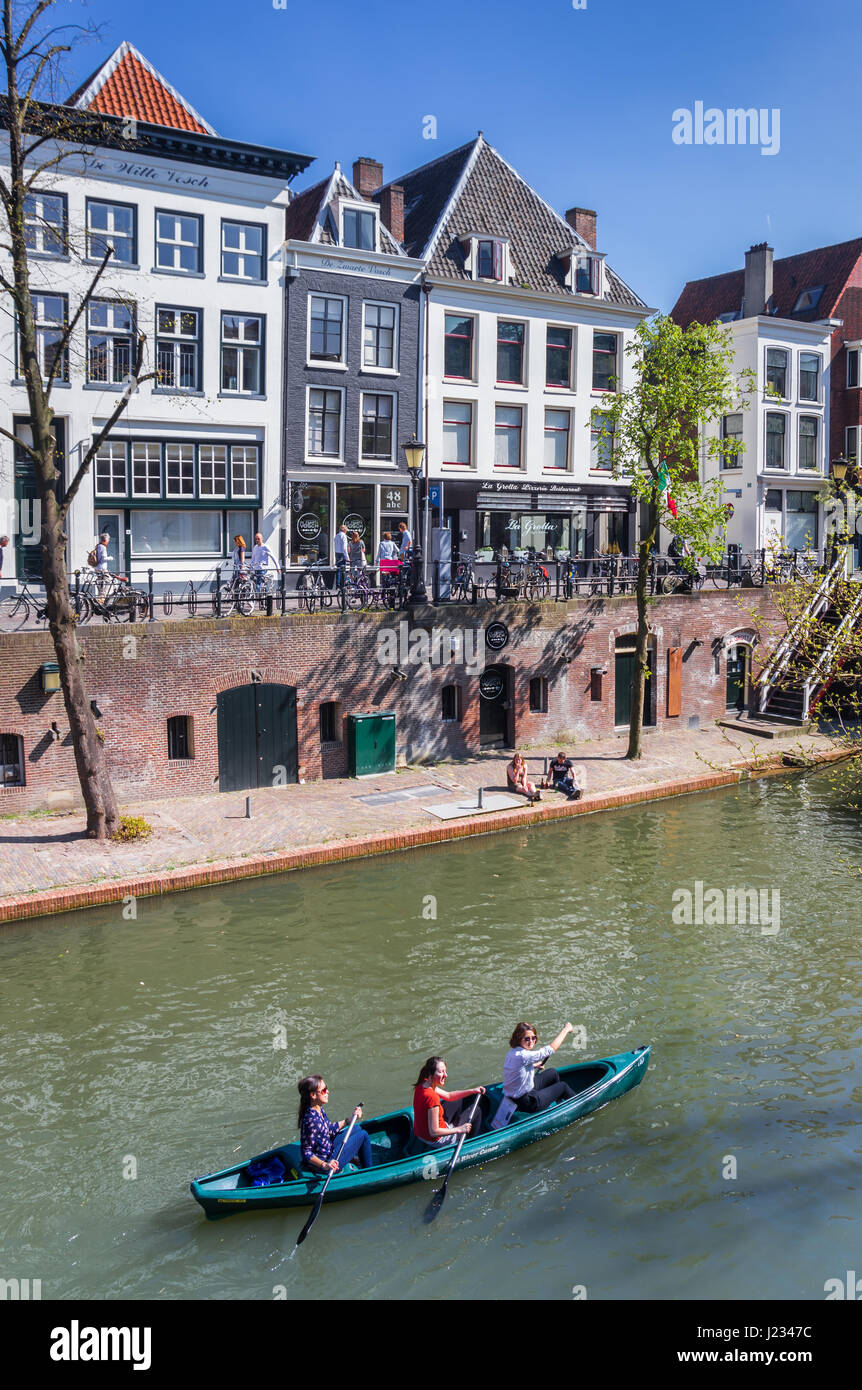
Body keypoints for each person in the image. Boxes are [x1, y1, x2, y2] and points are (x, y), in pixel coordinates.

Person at [297, 1075, 372, 1175]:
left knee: (357, 1128)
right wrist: (325, 1165)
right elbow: (306, 1152)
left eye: (326, 1088)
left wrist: (349, 1120)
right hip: (326, 1162)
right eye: (323, 1090)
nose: (327, 1092)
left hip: (327, 1148)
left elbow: (329, 1129)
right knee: (363, 1135)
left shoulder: (318, 1108)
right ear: (313, 1095)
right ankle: (370, 1172)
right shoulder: (311, 1120)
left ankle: (348, 1157)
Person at [502, 1021, 577, 1114]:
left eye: (533, 1038)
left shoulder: (513, 1052)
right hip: (527, 1102)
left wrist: (533, 1065)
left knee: (552, 1073)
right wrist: (565, 1030)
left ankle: (556, 1099)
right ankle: (580, 1106)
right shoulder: (524, 1055)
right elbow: (550, 1049)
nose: (531, 1041)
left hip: (517, 1095)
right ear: (519, 1039)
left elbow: (517, 1069)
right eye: (527, 1039)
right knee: (563, 1086)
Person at [412, 1057, 484, 1148]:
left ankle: (455, 1125)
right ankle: (470, 1144)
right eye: (441, 1072)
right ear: (431, 1075)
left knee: (457, 1100)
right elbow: (434, 1132)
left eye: (445, 1071)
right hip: (437, 1139)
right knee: (477, 1110)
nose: (446, 1075)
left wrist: (472, 1091)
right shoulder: (432, 1097)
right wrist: (459, 1129)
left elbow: (449, 1096)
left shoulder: (423, 1084)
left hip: (421, 1134)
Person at [334, 524, 349, 590]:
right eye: (346, 530)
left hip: (337, 553)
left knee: (338, 570)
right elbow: (344, 548)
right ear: (344, 530)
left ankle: (337, 585)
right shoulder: (344, 536)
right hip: (342, 554)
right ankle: (342, 585)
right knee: (343, 570)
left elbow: (334, 543)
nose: (346, 532)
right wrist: (347, 557)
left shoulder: (337, 535)